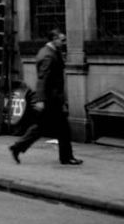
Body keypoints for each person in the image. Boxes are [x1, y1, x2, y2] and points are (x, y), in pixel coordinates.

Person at [9, 29, 82, 166]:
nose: (64, 42)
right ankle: (66, 157)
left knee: (41, 128)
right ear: (54, 39)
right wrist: (40, 100)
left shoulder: (49, 52)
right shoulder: (48, 56)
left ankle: (18, 147)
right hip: (51, 100)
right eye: (62, 40)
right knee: (62, 129)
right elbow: (43, 79)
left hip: (51, 98)